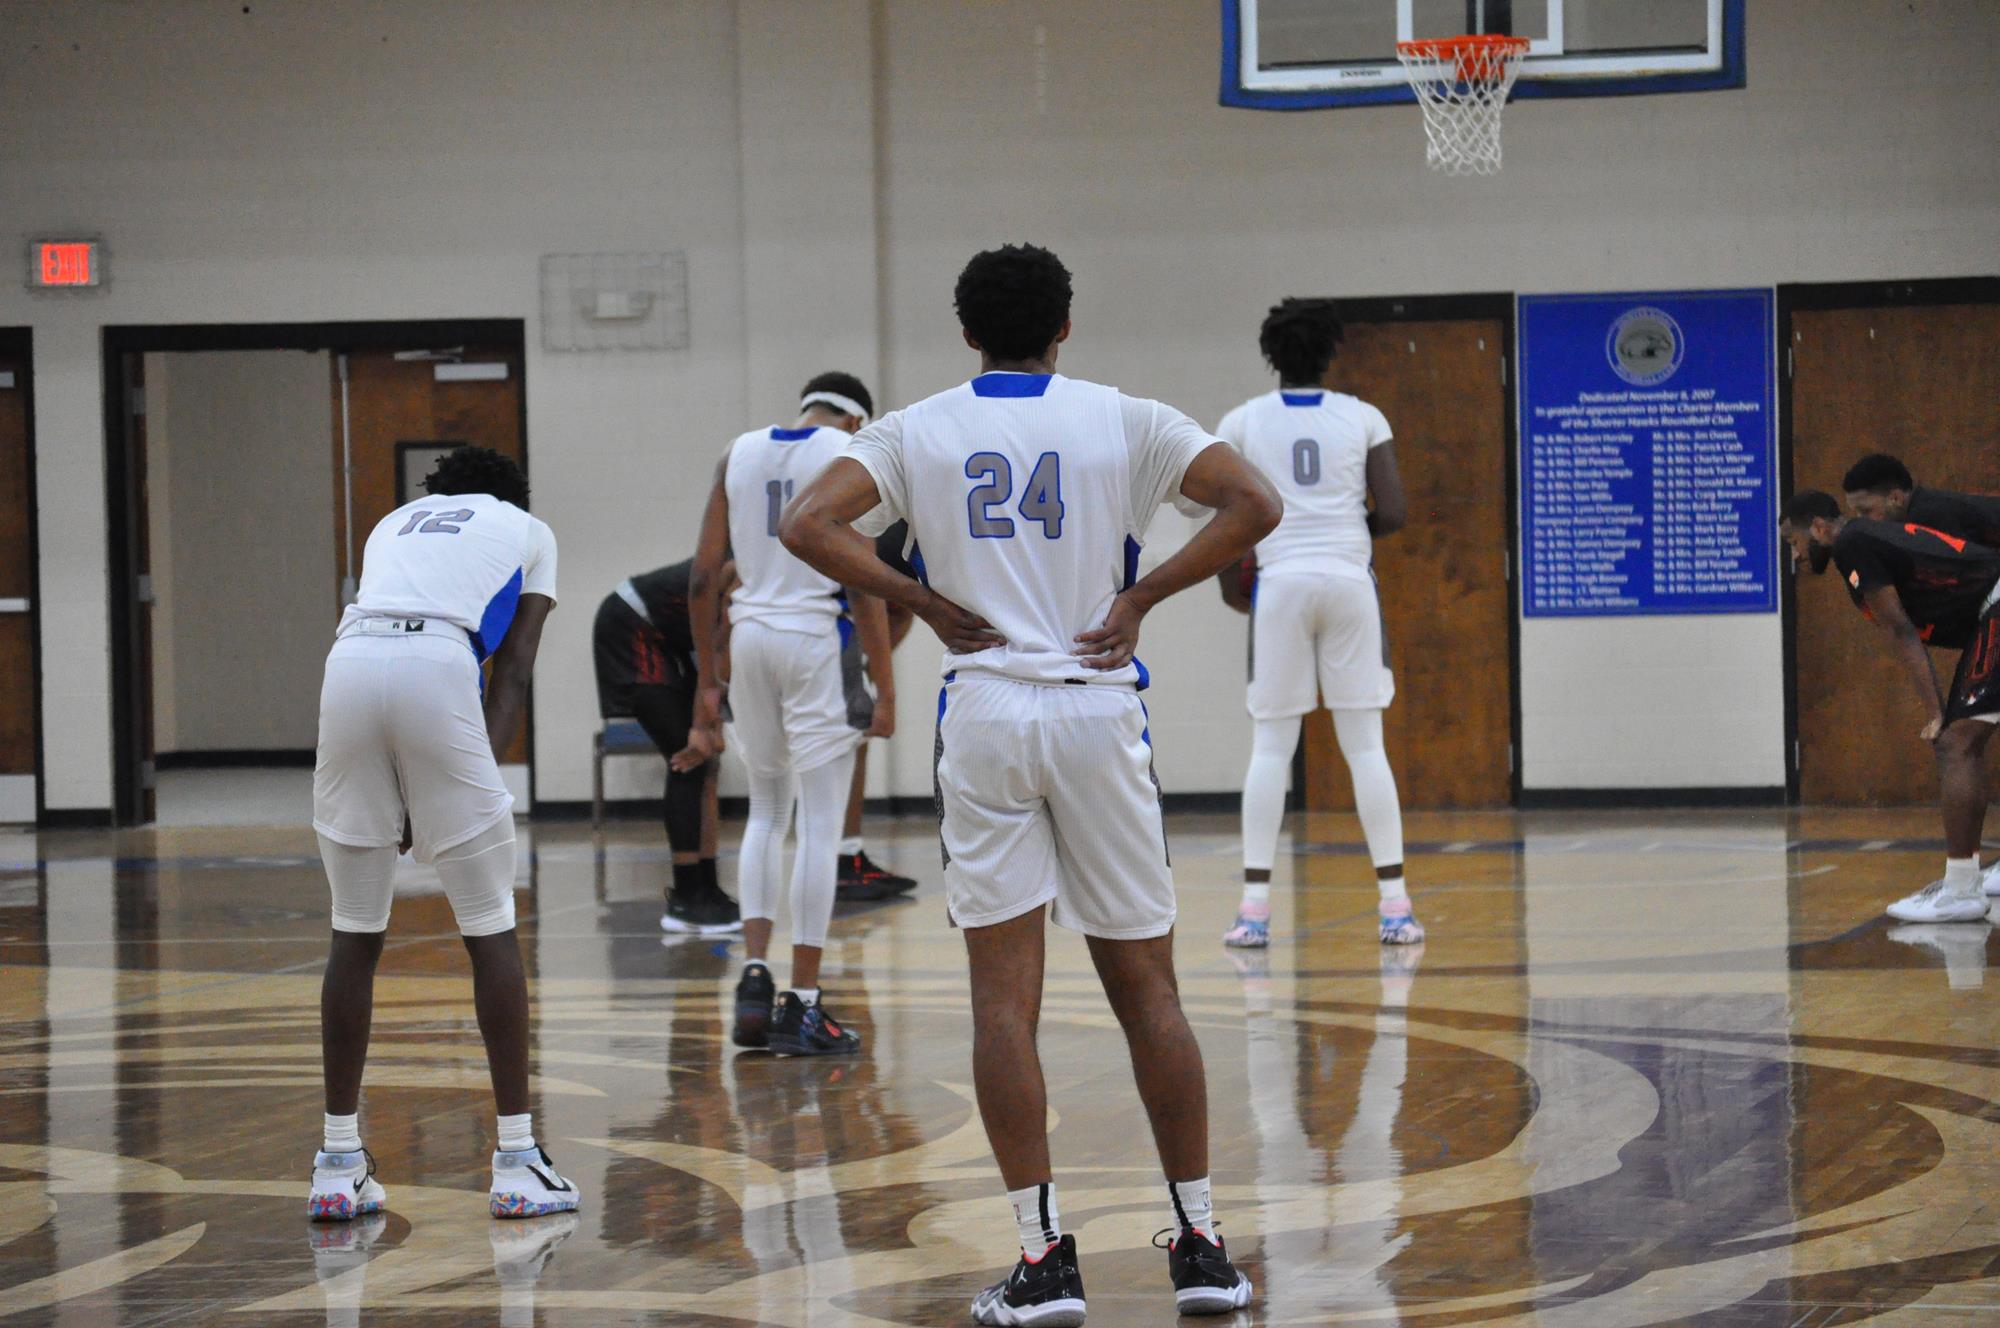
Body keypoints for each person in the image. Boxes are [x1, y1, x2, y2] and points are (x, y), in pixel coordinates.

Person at [779, 243, 1278, 1322]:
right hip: (1099, 705)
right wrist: (1141, 597)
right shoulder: (1125, 414)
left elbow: (804, 522)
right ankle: (1198, 1246)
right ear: (1065, 325)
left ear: (966, 333)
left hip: (989, 707)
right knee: (1148, 989)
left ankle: (1040, 1259)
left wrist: (914, 595)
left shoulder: (912, 427)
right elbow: (1252, 502)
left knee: (1002, 1002)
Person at [309, 445, 580, 1221]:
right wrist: (469, 779)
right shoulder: (528, 528)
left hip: (349, 663)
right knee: (489, 926)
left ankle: (336, 1162)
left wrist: (399, 788)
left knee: (353, 931)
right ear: (510, 493)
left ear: (438, 490)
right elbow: (516, 666)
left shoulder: (392, 522)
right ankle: (519, 1160)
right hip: (438, 666)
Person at [677, 372, 896, 1057]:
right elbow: (862, 581)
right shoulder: (848, 455)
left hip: (749, 641)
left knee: (767, 813)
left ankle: (754, 972)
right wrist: (887, 688)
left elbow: (701, 577)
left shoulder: (735, 452)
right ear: (858, 420)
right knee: (822, 826)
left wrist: (708, 680)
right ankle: (802, 1002)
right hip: (812, 642)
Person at [1213, 298, 1420, 950]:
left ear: (1271, 355)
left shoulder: (1242, 420)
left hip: (1280, 584)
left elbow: (1228, 513)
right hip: (1348, 582)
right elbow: (1393, 511)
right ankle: (1395, 907)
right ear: (1332, 353)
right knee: (1365, 747)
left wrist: (1232, 587)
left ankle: (1253, 911)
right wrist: (1344, 527)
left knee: (1271, 749)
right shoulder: (1362, 417)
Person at [1781, 490, 2000, 922]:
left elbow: (1902, 632)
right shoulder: (1866, 539)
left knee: (1956, 744)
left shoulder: (1851, 544)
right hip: (1988, 614)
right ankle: (1963, 881)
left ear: (1821, 528)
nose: (1796, 555)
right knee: (1964, 743)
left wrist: (1935, 711)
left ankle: (1960, 891)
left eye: (1795, 542)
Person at [590, 557, 742, 933]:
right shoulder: (745, 567)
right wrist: (703, 723)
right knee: (687, 758)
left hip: (672, 639)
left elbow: (717, 654)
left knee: (707, 762)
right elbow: (719, 649)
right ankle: (687, 896)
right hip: (631, 626)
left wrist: (712, 724)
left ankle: (707, 886)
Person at [833, 519, 923, 902]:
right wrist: (884, 690)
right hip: (820, 631)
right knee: (848, 741)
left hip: (766, 631)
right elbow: (871, 599)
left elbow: (901, 612)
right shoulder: (874, 534)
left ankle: (845, 856)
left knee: (850, 743)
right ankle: (841, 860)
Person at [1841, 453, 2000, 549]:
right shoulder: (1925, 507)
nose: (1861, 520)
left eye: (1866, 510)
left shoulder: (1927, 518)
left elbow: (1977, 575)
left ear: (1896, 498)